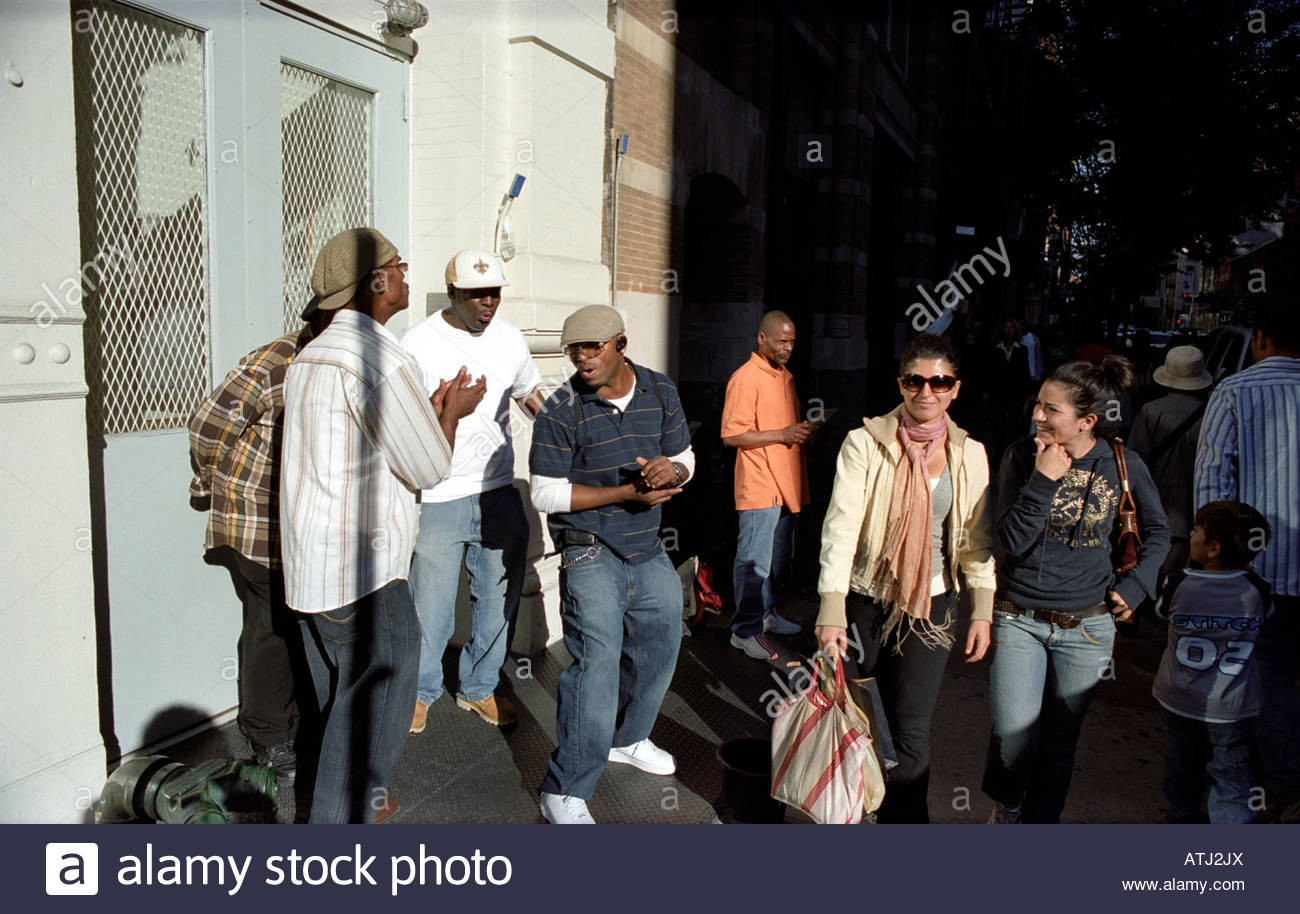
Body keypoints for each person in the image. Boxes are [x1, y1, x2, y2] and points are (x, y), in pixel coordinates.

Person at [281, 228, 485, 823]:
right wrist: (450, 413)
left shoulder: (312, 355)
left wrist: (430, 412)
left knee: (336, 708)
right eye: (395, 265)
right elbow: (427, 467)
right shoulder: (381, 357)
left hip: (311, 569)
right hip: (364, 574)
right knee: (373, 710)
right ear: (373, 283)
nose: (404, 272)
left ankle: (364, 802)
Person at [816, 333, 996, 823]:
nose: (927, 391)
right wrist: (831, 607)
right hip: (866, 598)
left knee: (911, 727)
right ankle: (849, 813)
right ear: (901, 383)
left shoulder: (970, 454)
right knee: (856, 717)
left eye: (940, 381)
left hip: (932, 606)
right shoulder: (865, 442)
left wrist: (982, 608)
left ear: (955, 388)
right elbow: (842, 525)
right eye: (915, 380)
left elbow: (975, 541)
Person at [983, 355, 1170, 823]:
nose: (1037, 416)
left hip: (1087, 629)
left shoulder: (1122, 463)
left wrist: (1137, 586)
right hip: (1019, 617)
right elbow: (1007, 541)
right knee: (1011, 737)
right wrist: (1044, 482)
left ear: (1087, 421)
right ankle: (1008, 805)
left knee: (1057, 745)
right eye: (1037, 405)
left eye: (1050, 409)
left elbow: (1158, 531)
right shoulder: (1021, 456)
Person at [528, 305, 695, 824]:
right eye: (574, 349)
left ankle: (628, 738)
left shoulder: (661, 390)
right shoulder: (561, 407)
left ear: (621, 344)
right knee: (597, 663)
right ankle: (564, 787)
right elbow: (545, 492)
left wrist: (675, 470)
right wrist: (625, 491)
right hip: (588, 546)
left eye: (593, 347)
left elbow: (687, 456)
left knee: (663, 639)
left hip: (648, 546)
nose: (582, 358)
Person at [186, 297, 333, 786]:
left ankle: (296, 728)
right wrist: (208, 482)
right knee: (270, 630)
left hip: (309, 525)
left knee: (302, 627)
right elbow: (209, 423)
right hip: (258, 524)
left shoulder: (343, 363)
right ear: (320, 319)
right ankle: (270, 740)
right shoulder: (276, 361)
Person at [401, 249, 544, 733]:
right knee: (431, 605)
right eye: (478, 294)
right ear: (454, 293)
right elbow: (404, 421)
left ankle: (479, 688)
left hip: (499, 489)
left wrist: (566, 431)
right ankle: (419, 693)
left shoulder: (510, 339)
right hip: (439, 494)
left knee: (497, 596)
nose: (489, 303)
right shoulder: (418, 342)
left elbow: (529, 394)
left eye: (495, 293)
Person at [1194, 296, 1300, 810]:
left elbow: (1213, 492)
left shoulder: (1235, 391)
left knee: (1267, 686)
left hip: (1261, 576)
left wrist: (1212, 568)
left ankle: (1285, 795)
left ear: (1260, 340)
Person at [1151, 501, 1272, 824]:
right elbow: (1268, 619)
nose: (1190, 535)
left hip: (1178, 701)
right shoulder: (1256, 591)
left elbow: (1161, 613)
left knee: (1182, 766)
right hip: (1232, 707)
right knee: (1231, 779)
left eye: (1195, 530)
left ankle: (1181, 818)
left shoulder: (1178, 583)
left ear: (1214, 548)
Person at [721, 310, 810, 661]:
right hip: (760, 481)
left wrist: (802, 430)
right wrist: (784, 434)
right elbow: (730, 435)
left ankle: (766, 615)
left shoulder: (784, 375)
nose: (788, 348)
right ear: (762, 339)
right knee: (753, 560)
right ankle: (744, 631)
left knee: (773, 560)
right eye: (781, 341)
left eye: (792, 342)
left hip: (785, 480)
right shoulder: (745, 377)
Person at [1128, 345, 1213, 589]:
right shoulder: (1210, 413)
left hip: (1156, 500)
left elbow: (1136, 460)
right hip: (1196, 502)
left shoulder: (1150, 411)